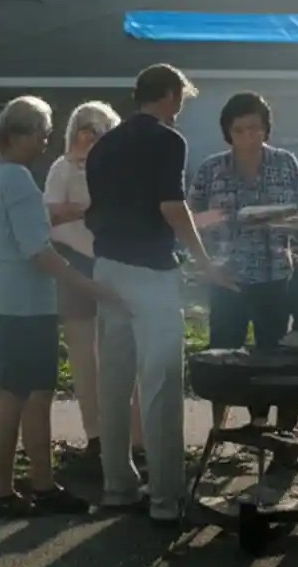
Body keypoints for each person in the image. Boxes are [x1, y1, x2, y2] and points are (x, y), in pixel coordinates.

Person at [85, 63, 234, 527]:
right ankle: (166, 497)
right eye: (180, 100)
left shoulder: (103, 145)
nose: (180, 110)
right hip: (151, 272)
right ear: (169, 96)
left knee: (113, 381)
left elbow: (97, 211)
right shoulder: (169, 141)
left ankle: (116, 485)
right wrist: (205, 261)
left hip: (107, 267)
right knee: (161, 383)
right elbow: (171, 206)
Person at [0, 95, 124, 519]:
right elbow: (39, 251)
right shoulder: (17, 179)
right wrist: (91, 287)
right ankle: (1, 491)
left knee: (39, 393)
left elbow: (32, 230)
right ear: (16, 134)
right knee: (13, 394)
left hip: (12, 302)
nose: (45, 140)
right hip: (16, 306)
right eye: (40, 132)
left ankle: (43, 483)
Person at [188, 92, 298, 430]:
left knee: (274, 356)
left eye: (254, 129)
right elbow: (190, 220)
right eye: (239, 130)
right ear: (228, 132)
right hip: (228, 276)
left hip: (276, 274)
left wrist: (285, 225)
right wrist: (221, 223)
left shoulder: (285, 163)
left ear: (266, 129)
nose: (248, 137)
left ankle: (269, 430)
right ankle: (220, 430)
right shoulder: (212, 169)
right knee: (224, 357)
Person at [43, 101, 145, 472]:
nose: (88, 134)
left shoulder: (121, 169)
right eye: (82, 127)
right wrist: (88, 209)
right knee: (83, 359)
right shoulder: (62, 168)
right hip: (75, 263)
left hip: (114, 263)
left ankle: (137, 440)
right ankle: (96, 438)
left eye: (97, 129)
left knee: (119, 355)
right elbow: (50, 212)